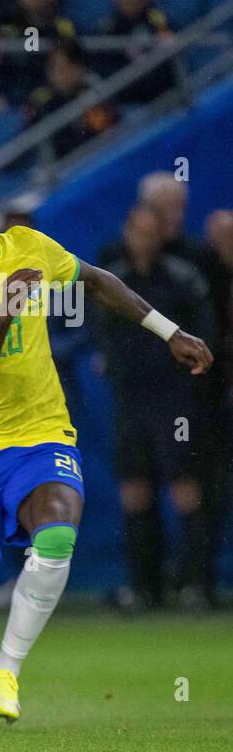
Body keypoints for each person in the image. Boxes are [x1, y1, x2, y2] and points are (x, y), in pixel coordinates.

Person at [0, 150, 213, 731]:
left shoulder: (29, 247)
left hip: (40, 434)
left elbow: (98, 281)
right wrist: (8, 309)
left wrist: (169, 331)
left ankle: (6, 670)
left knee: (59, 533)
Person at [94, 205, 219, 610]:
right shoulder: (113, 280)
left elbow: (206, 332)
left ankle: (195, 585)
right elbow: (96, 331)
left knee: (185, 489)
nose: (143, 240)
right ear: (127, 232)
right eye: (137, 231)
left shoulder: (182, 278)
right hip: (130, 400)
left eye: (151, 232)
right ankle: (144, 588)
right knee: (135, 491)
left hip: (174, 400)